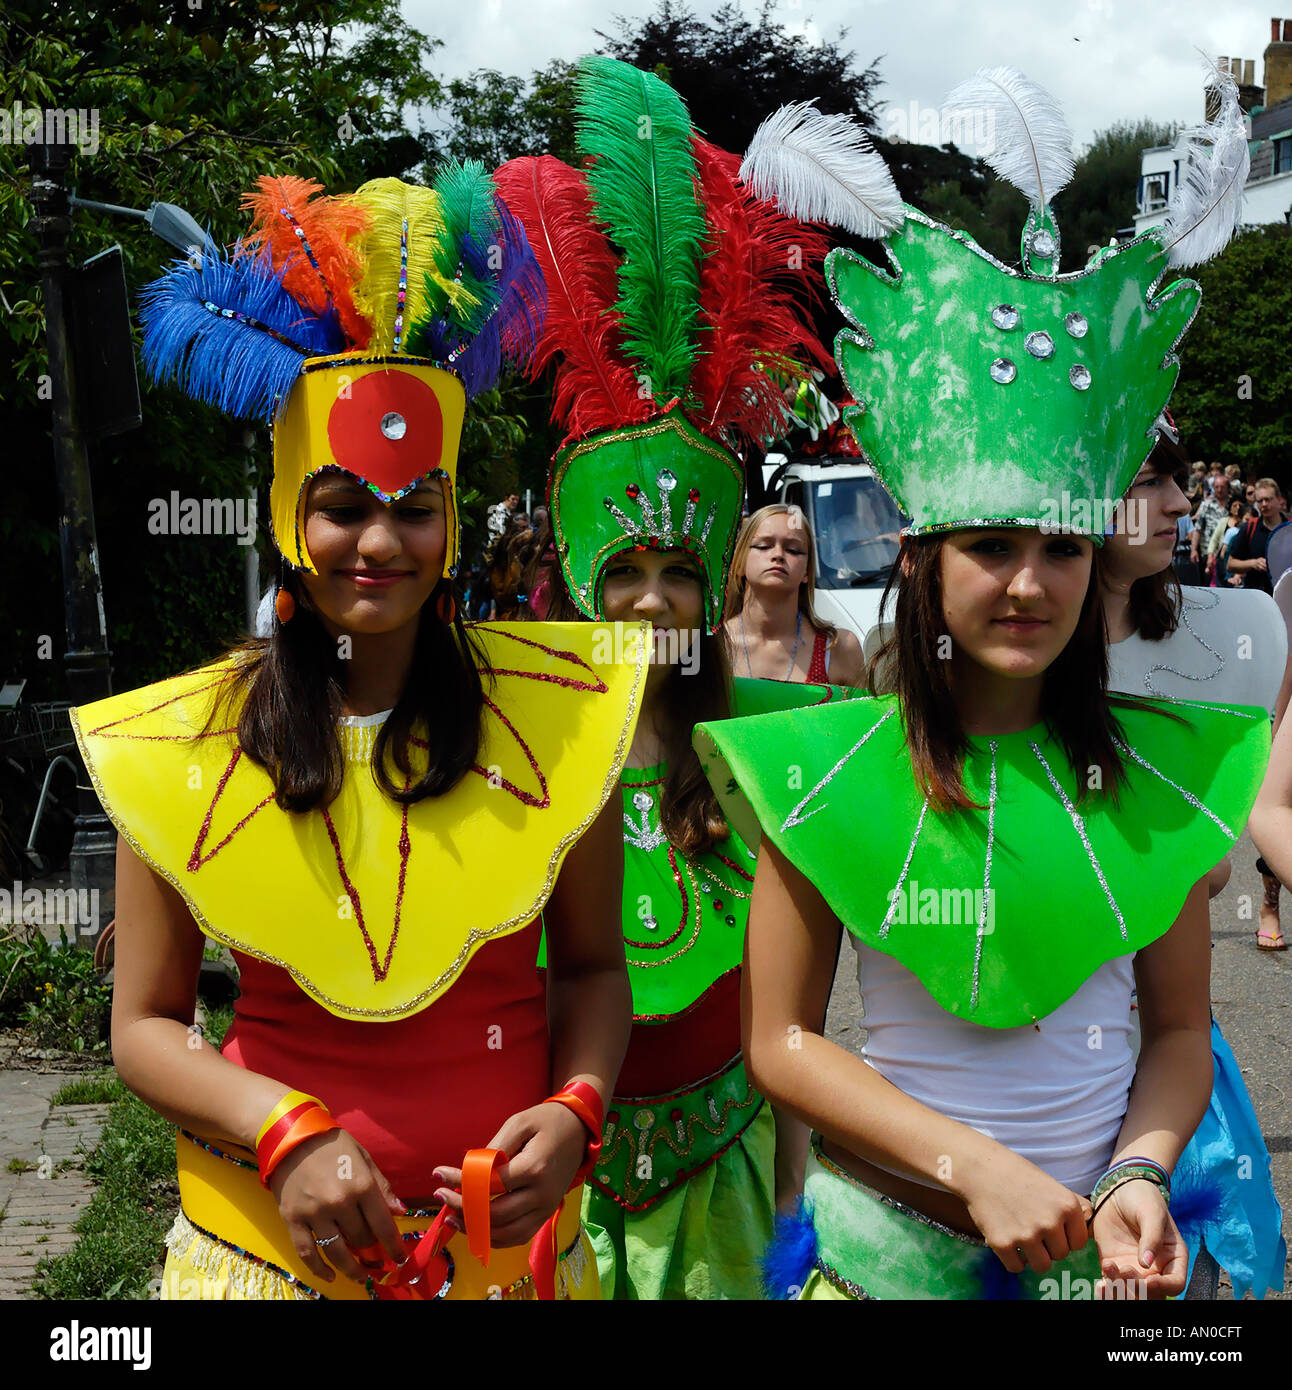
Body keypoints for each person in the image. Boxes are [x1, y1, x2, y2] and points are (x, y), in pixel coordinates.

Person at [697, 69, 1268, 1301]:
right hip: (885, 1258)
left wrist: (1136, 1176)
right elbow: (780, 1041)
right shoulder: (823, 766)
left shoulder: (1163, 776)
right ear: (922, 562)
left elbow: (1173, 1029)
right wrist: (972, 1171)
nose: (1027, 584)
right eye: (990, 547)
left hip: (1109, 1268)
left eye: (1059, 547)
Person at [78, 171, 648, 1301]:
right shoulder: (180, 741)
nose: (378, 542)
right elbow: (143, 1023)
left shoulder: (564, 716)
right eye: (343, 506)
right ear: (293, 518)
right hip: (258, 1259)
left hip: (509, 1267)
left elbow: (589, 968)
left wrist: (574, 1107)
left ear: (451, 516)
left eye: (415, 505)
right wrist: (280, 1126)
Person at [497, 53, 843, 1299]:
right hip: (547, 1199)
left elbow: (795, 1019)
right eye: (625, 569)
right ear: (577, 581)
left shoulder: (772, 750)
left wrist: (800, 1188)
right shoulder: (511, 752)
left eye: (678, 573)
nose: (652, 601)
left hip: (726, 1193)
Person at [1099, 425, 1286, 1297]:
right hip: (1017, 1077)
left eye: (1178, 481)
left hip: (1170, 1047)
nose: (1179, 504)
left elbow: (1210, 867)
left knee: (1180, 1288)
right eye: (1148, 482)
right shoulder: (983, 686)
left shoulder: (1230, 645)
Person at [724, 505, 865, 687]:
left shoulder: (839, 647)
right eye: (764, 546)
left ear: (807, 570)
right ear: (739, 563)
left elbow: (864, 715)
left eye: (793, 550)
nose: (778, 555)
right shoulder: (711, 648)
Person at [1227, 478, 1290, 595]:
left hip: (1286, 599)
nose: (1264, 504)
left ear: (1279, 499)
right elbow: (1230, 564)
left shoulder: (1289, 527)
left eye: (1268, 499)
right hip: (1257, 597)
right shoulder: (1250, 527)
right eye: (1260, 501)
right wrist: (1253, 563)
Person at [1190, 472, 1231, 575]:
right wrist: (1193, 550)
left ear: (1228, 488)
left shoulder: (1234, 505)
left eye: (1222, 487)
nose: (1219, 490)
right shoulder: (1206, 505)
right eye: (1217, 487)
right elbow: (1198, 529)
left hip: (1227, 555)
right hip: (1207, 554)